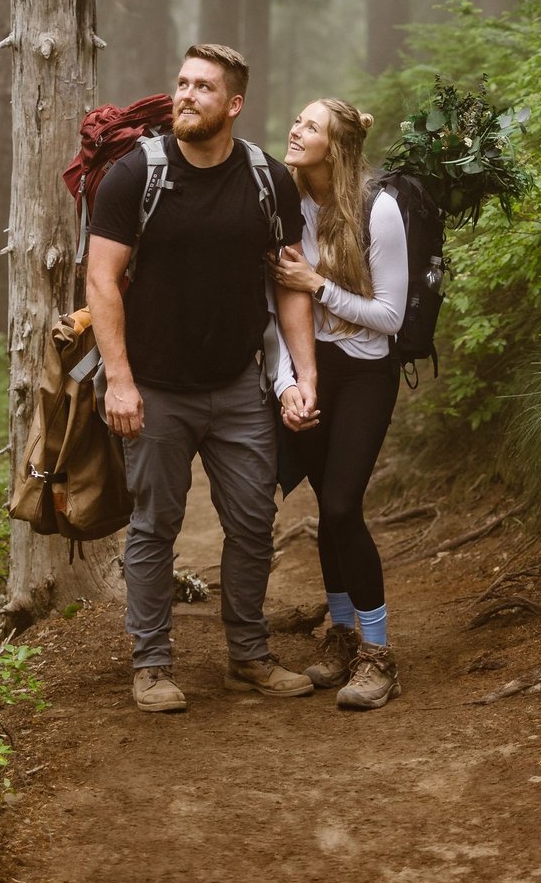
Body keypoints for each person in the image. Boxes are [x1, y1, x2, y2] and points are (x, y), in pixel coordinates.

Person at [86, 43, 320, 715]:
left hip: (237, 386)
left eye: (204, 88)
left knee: (253, 523)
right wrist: (120, 380)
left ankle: (248, 656)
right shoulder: (137, 175)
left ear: (234, 103)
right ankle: (152, 664)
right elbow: (101, 280)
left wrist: (303, 377)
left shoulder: (266, 180)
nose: (186, 96)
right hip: (155, 387)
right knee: (155, 526)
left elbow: (291, 282)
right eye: (182, 84)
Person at [272, 96, 407, 712]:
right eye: (297, 121)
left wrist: (319, 284)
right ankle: (343, 632)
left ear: (339, 145)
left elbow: (389, 317)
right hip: (311, 370)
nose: (297, 130)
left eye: (311, 126)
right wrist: (288, 385)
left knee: (344, 503)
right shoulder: (286, 205)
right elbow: (275, 312)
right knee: (326, 508)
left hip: (365, 374)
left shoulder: (377, 211)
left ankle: (378, 654)